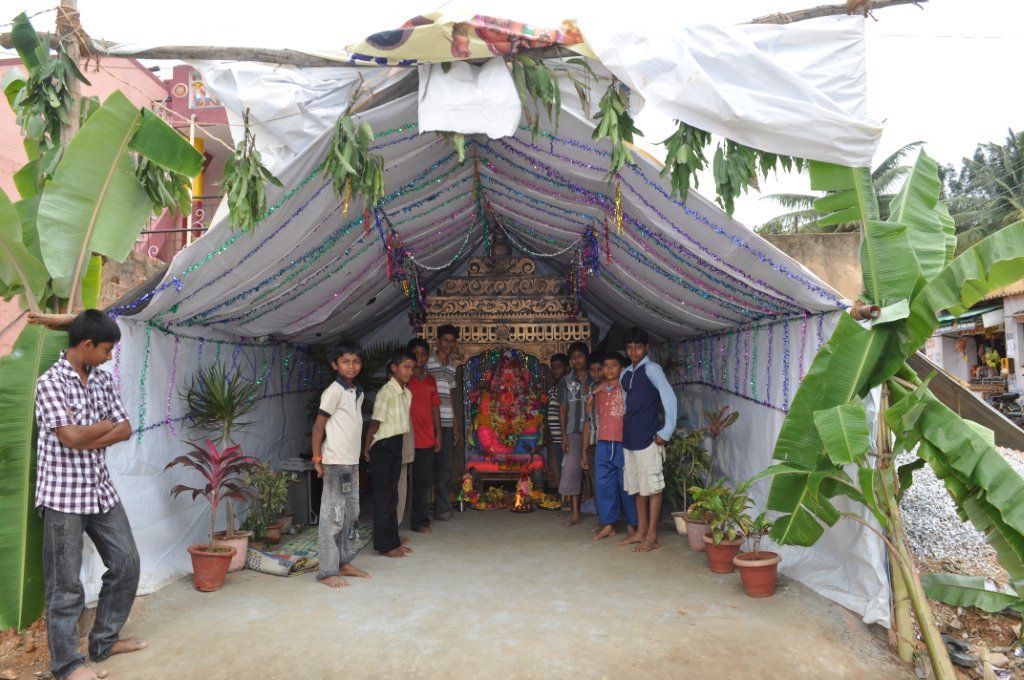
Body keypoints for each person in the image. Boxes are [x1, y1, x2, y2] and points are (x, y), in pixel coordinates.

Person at [34, 310, 147, 680]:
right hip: (63, 497)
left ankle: (104, 641)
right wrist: (100, 428)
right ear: (86, 345)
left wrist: (90, 432)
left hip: (100, 489)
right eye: (106, 349)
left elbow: (126, 428)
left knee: (127, 563)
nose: (109, 356)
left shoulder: (102, 380)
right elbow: (70, 438)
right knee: (65, 586)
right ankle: (66, 666)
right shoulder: (50, 383)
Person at [311, 341, 371, 588]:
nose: (351, 366)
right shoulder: (333, 391)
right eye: (345, 361)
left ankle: (344, 562)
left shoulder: (357, 392)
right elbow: (318, 426)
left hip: (351, 464)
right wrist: (317, 458)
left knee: (350, 515)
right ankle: (327, 571)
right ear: (335, 364)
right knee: (332, 516)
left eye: (356, 361)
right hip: (335, 463)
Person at [620, 327, 677, 553]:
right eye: (630, 347)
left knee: (652, 488)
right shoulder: (625, 373)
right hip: (629, 439)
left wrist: (666, 432)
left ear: (647, 348)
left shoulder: (653, 370)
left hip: (648, 439)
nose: (634, 351)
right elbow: (624, 406)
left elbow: (669, 399)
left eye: (638, 347)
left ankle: (652, 536)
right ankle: (641, 532)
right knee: (637, 488)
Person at [363, 348, 416, 558]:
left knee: (392, 495)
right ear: (394, 368)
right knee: (383, 497)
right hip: (382, 445)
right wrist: (367, 448)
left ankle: (393, 540)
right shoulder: (386, 392)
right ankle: (384, 545)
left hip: (396, 443)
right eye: (405, 367)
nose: (409, 372)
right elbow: (374, 422)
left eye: (412, 368)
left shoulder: (406, 393)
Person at [589, 352, 638, 542]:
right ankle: (608, 524)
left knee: (626, 484)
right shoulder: (597, 390)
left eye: (614, 365)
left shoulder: (627, 386)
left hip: (622, 442)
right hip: (603, 442)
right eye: (606, 366)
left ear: (621, 368)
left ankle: (631, 525)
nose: (609, 369)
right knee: (603, 485)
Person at [407, 338, 442, 534]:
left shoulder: (430, 380)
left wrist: (438, 434)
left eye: (423, 354)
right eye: (416, 353)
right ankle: (396, 519)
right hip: (406, 437)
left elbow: (435, 407)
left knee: (423, 481)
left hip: (426, 438)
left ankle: (420, 521)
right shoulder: (404, 378)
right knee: (402, 481)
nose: (420, 358)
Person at [425, 325, 459, 521]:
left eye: (452, 341)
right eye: (445, 340)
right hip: (429, 422)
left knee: (445, 467)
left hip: (446, 422)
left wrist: (455, 423)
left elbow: (451, 396)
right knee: (427, 466)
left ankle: (442, 509)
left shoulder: (452, 365)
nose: (449, 344)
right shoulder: (428, 362)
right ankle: (424, 507)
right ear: (438, 341)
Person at [558, 342, 592, 526]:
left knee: (594, 472)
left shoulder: (595, 377)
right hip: (572, 431)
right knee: (572, 472)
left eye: (580, 356)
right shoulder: (566, 381)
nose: (577, 360)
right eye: (573, 357)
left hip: (594, 433)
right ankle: (575, 514)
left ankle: (605, 516)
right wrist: (563, 435)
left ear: (586, 357)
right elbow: (563, 409)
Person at [545, 353, 568, 488]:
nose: (555, 370)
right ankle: (566, 497)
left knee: (568, 469)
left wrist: (565, 434)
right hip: (556, 438)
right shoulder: (553, 388)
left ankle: (569, 499)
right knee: (561, 467)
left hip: (565, 437)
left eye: (559, 367)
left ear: (567, 368)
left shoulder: (567, 387)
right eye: (553, 367)